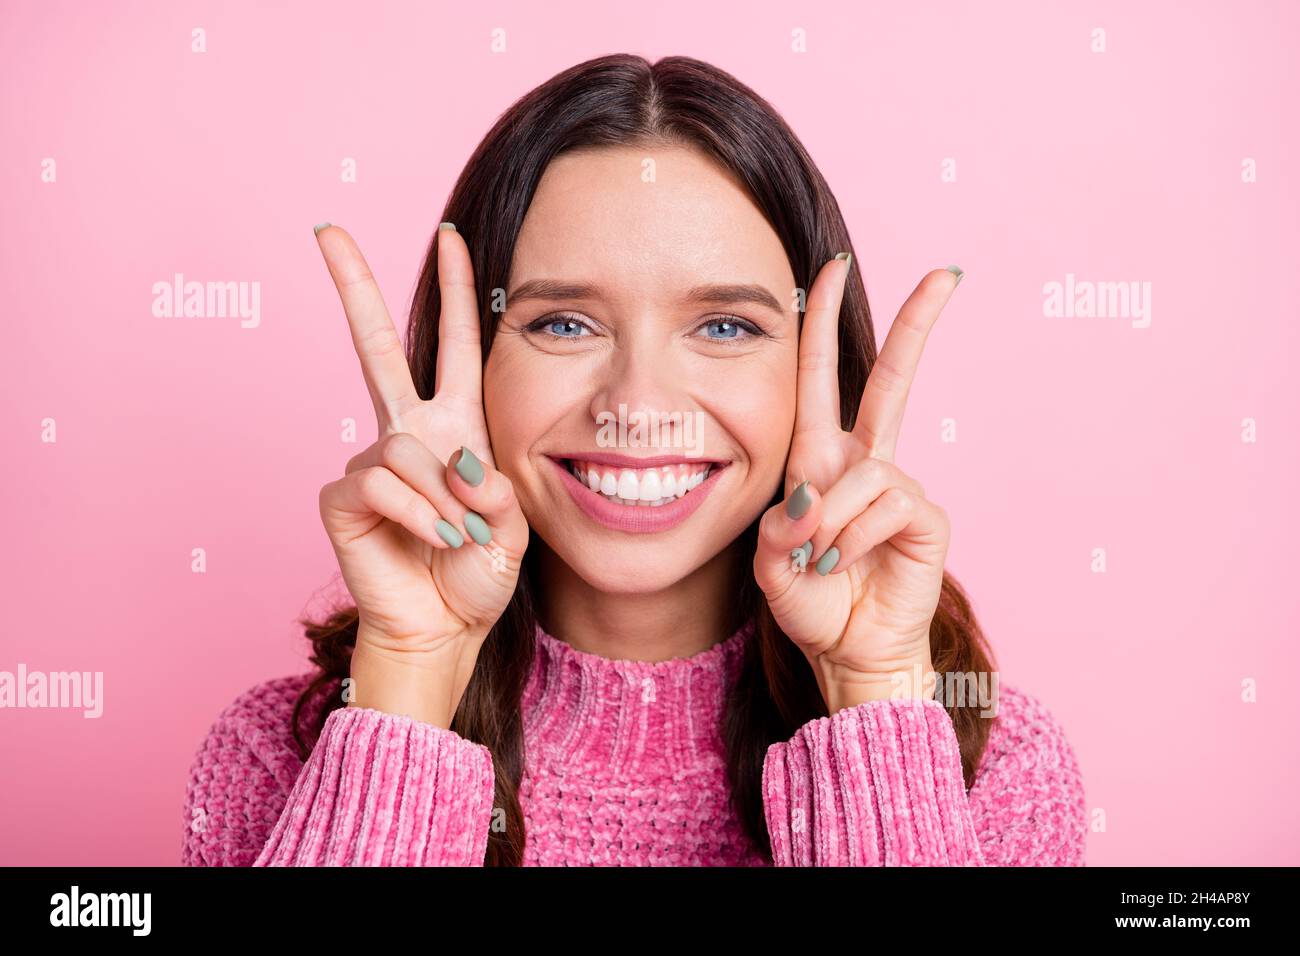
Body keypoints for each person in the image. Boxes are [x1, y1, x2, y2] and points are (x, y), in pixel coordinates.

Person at [182, 53, 1086, 867]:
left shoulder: (995, 775)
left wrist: (872, 695)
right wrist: (408, 684)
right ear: (469, 366)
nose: (638, 405)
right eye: (563, 323)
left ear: (820, 375)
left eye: (725, 325)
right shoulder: (278, 761)